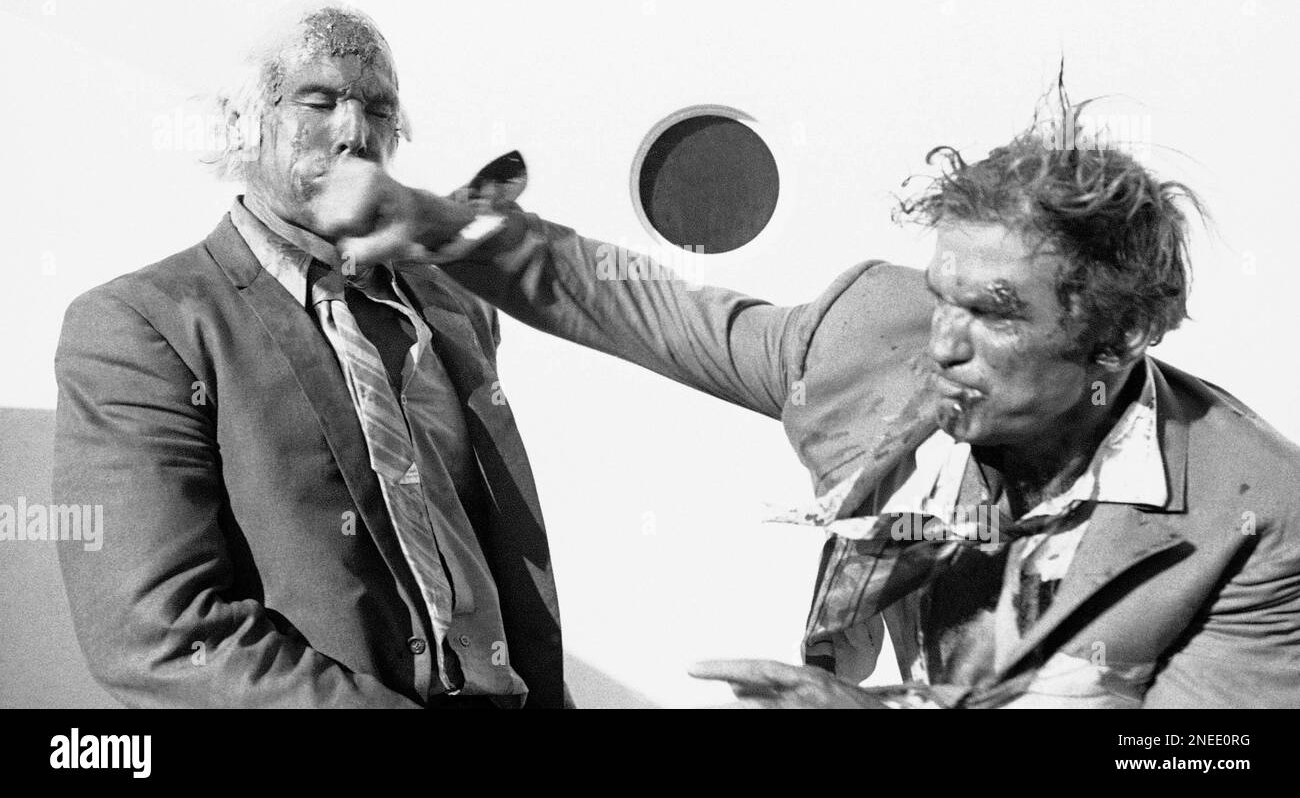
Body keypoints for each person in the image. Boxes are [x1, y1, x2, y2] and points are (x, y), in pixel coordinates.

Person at [336, 99, 1300, 708]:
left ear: (1117, 336)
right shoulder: (872, 336)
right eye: (945, 294)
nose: (946, 339)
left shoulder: (1258, 514)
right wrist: (440, 225)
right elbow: (644, 306)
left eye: (996, 314)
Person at [52, 0, 567, 708]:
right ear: (245, 124)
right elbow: (160, 633)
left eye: (379, 109)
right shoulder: (142, 324)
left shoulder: (452, 306)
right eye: (318, 100)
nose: (356, 132)